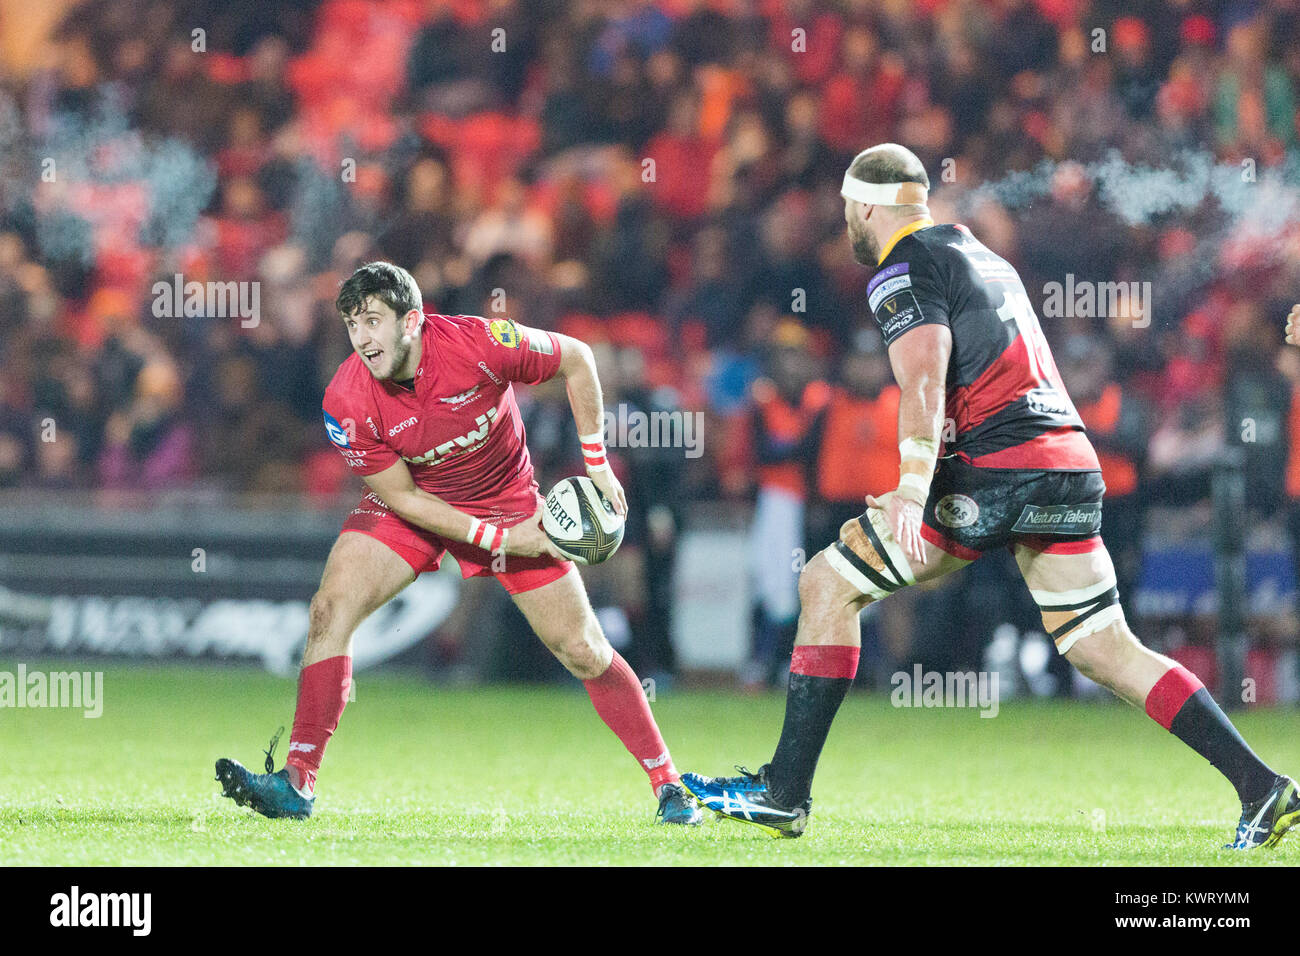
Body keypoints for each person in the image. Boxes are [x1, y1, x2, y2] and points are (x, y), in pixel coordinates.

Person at [682, 144, 1297, 850]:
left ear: (870, 207)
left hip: (999, 466)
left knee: (826, 583)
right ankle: (1262, 789)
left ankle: (783, 794)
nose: (847, 221)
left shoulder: (903, 265)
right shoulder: (982, 256)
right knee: (1103, 644)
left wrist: (914, 489)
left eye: (850, 209)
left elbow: (925, 374)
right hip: (1065, 458)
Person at [215, 261, 701, 825]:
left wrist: (598, 466)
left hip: (509, 499)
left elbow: (578, 359)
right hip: (416, 504)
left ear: (413, 320)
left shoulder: (480, 341)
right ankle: (297, 782)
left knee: (583, 650)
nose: (362, 338)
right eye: (352, 324)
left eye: (373, 320)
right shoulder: (345, 399)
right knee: (330, 609)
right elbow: (403, 499)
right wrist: (497, 540)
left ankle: (669, 785)